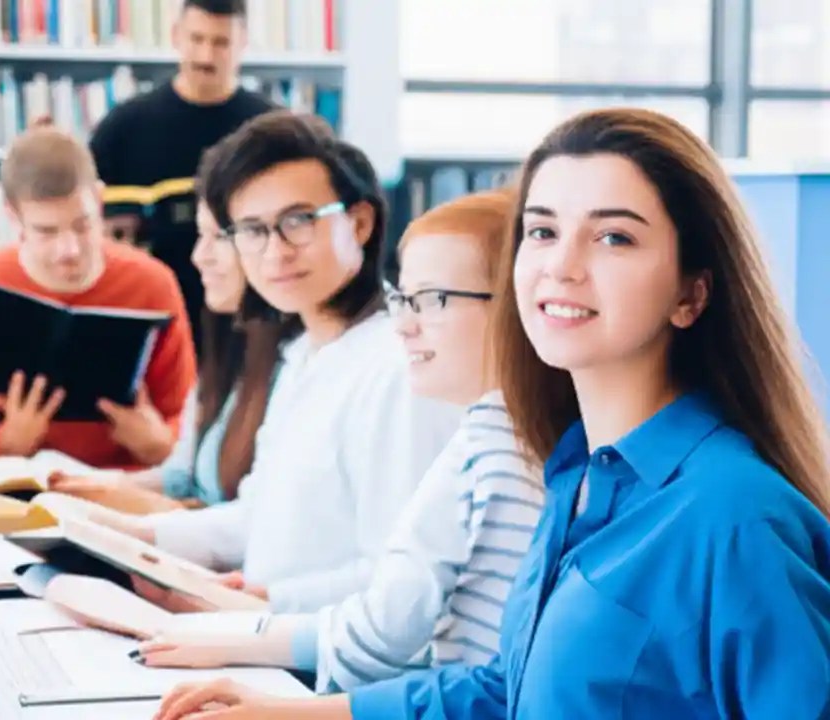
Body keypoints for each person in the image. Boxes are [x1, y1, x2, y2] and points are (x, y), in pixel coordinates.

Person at [151, 107, 830, 720]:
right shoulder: (573, 475)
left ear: (692, 292)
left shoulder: (736, 516)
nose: (560, 266)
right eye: (541, 231)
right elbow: (507, 689)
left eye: (614, 238)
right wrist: (281, 713)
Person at [132, 189, 546, 694]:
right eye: (403, 299)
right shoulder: (519, 436)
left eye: (432, 300)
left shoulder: (489, 447)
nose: (405, 325)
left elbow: (388, 628)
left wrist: (245, 632)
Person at [98, 112, 464, 614]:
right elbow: (260, 517)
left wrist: (257, 604)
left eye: (298, 221)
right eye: (252, 229)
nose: (275, 252)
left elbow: (397, 574)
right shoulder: (302, 357)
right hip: (269, 640)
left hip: (324, 668)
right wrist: (131, 534)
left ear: (359, 222)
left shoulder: (400, 366)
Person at [0, 126, 197, 470]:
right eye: (46, 231)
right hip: (13, 495)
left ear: (99, 200)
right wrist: (6, 444)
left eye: (83, 225)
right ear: (13, 216)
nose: (68, 250)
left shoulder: (153, 283)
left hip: (126, 493)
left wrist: (160, 444)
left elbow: (189, 425)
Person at [50, 197, 287, 515]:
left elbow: (249, 527)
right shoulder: (228, 347)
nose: (198, 256)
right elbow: (180, 476)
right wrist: (95, 486)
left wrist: (135, 505)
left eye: (218, 238)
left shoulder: (295, 367)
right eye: (200, 236)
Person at [89, 0, 276, 350]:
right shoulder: (123, 127)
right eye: (196, 39)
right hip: (147, 313)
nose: (206, 55)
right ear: (176, 36)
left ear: (243, 43)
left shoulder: (269, 130)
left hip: (247, 320)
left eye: (221, 43)